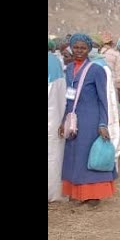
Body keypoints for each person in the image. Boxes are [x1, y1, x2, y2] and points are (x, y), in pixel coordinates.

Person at [58, 34, 120, 206]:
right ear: (71, 48)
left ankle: (93, 194)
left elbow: (103, 99)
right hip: (73, 119)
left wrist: (102, 123)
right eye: (76, 47)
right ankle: (77, 192)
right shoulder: (68, 69)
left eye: (82, 48)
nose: (79, 51)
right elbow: (67, 98)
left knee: (89, 155)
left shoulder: (96, 70)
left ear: (89, 49)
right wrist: (64, 121)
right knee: (74, 156)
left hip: (91, 120)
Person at [48, 40, 67, 202]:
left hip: (52, 115)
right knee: (54, 155)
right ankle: (53, 192)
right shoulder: (55, 62)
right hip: (56, 116)